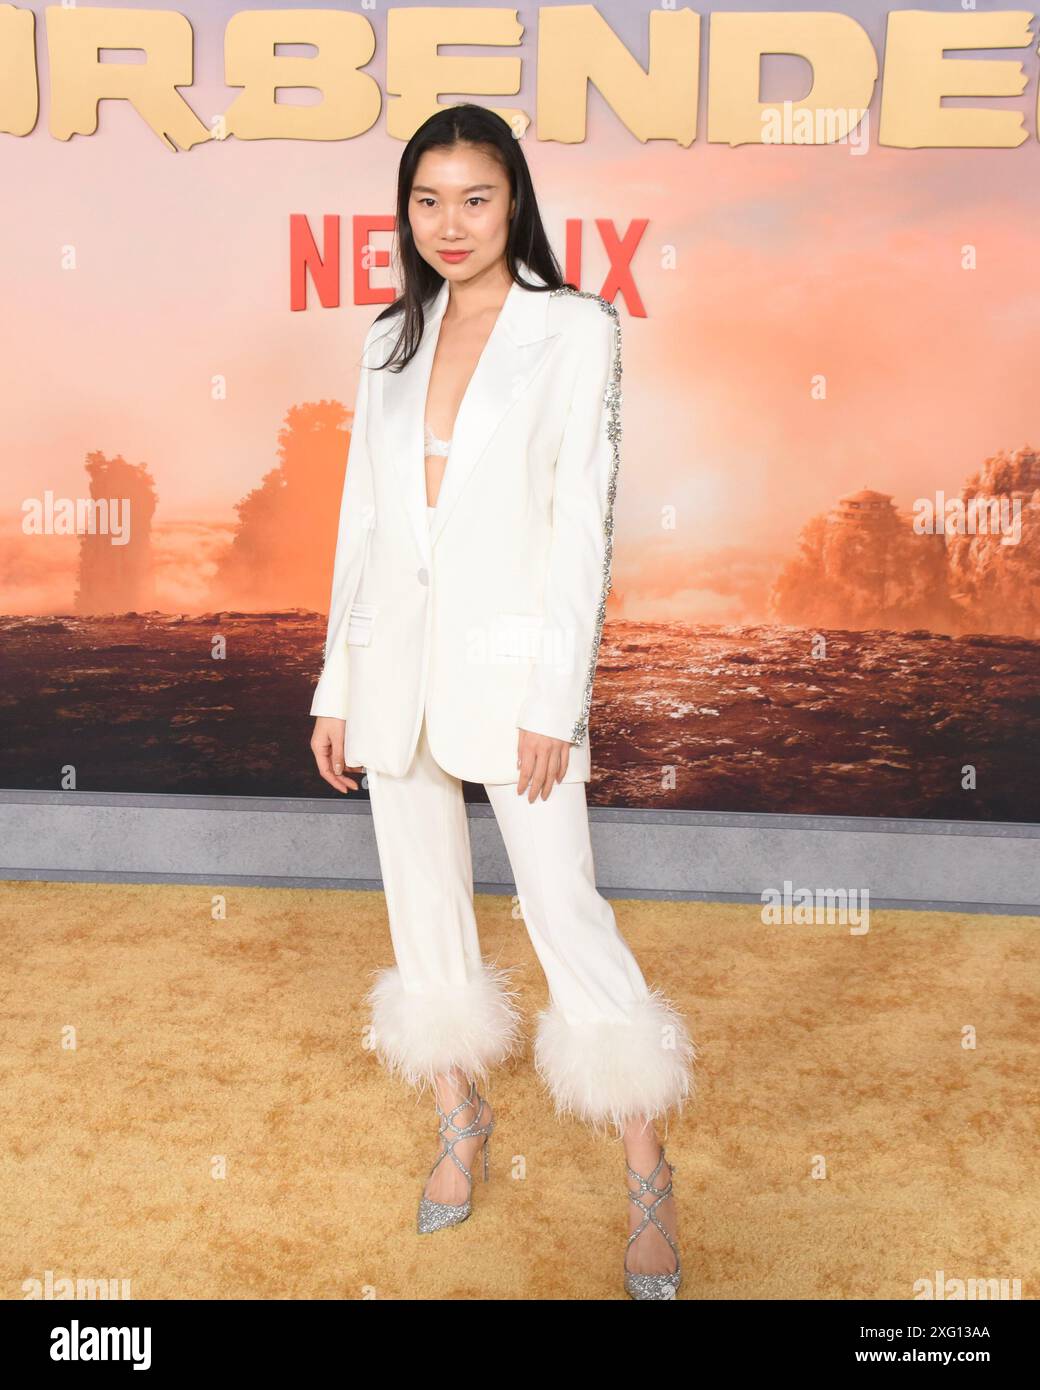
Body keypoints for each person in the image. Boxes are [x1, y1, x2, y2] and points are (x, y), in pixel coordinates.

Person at [309, 104, 696, 1300]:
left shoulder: (573, 331)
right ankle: (459, 1123)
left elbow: (579, 527)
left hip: (515, 675)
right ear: (404, 211)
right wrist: (337, 680)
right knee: (421, 908)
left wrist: (553, 701)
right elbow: (362, 531)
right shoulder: (386, 342)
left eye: (474, 199)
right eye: (426, 201)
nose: (449, 224)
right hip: (393, 675)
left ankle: (646, 1176)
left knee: (561, 907)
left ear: (512, 202)